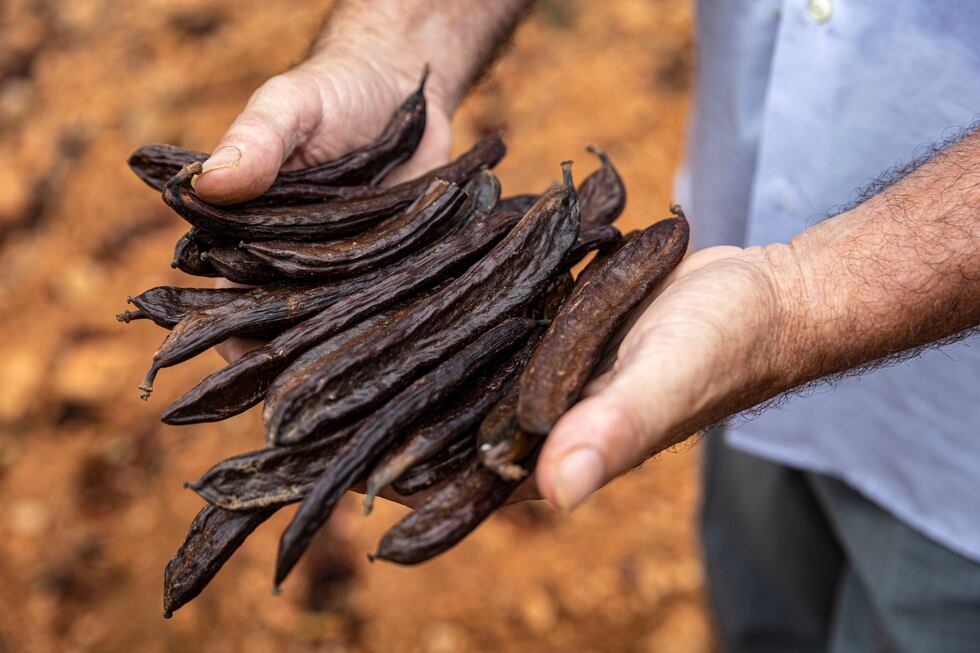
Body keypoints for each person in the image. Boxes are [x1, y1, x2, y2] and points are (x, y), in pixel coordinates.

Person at [192, 2, 980, 650]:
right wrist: (396, 47)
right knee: (761, 615)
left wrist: (801, 298)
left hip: (959, 460)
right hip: (738, 346)